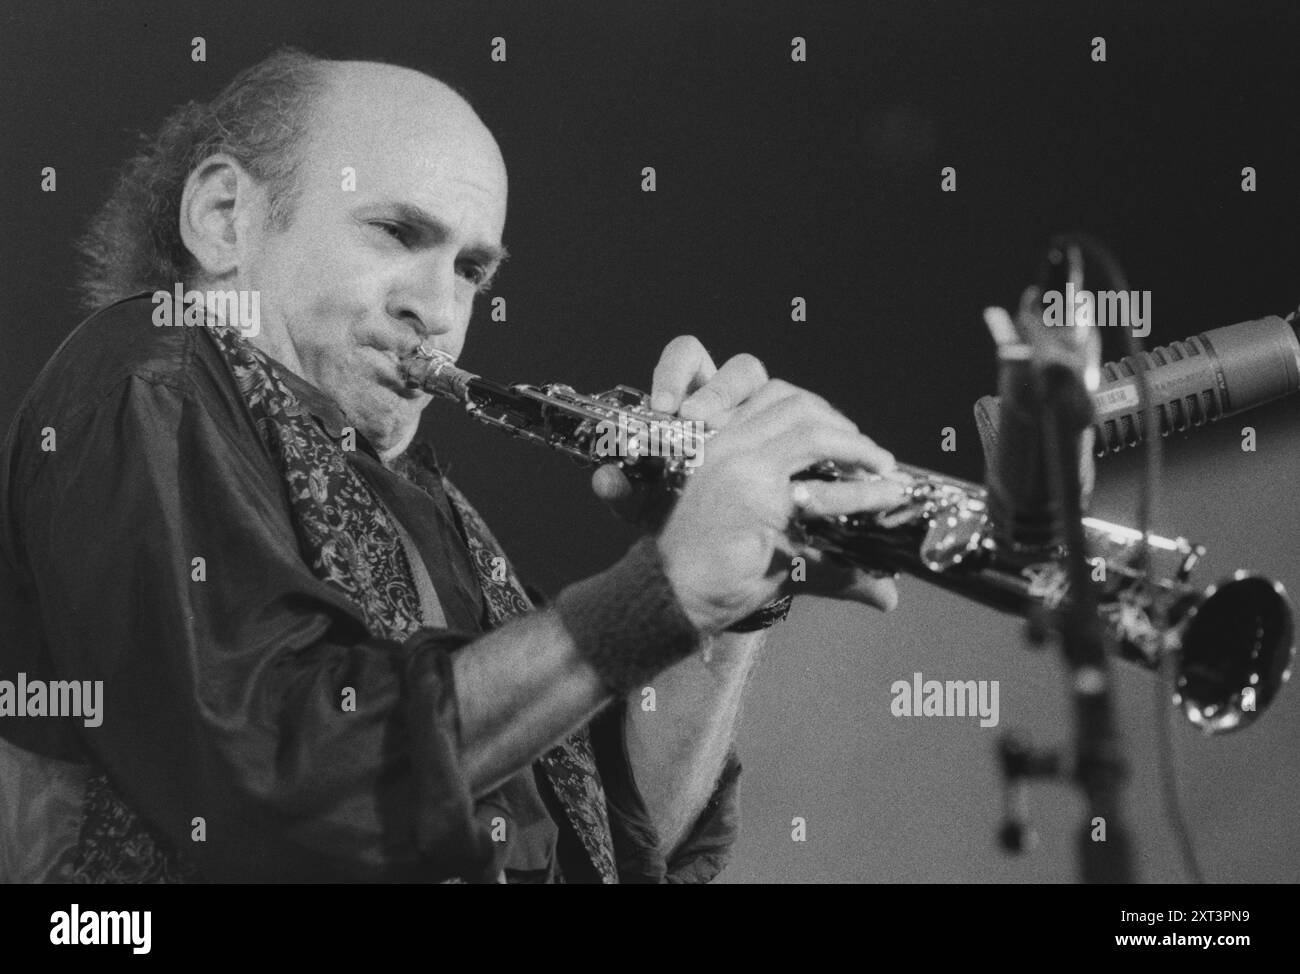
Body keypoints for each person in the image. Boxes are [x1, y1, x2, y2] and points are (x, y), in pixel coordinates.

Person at [0, 49, 904, 883]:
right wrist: (660, 593)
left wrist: (731, 602)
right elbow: (285, 787)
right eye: (396, 232)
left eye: (473, 269)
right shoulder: (153, 376)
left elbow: (621, 854)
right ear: (225, 217)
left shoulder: (415, 494)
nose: (441, 309)